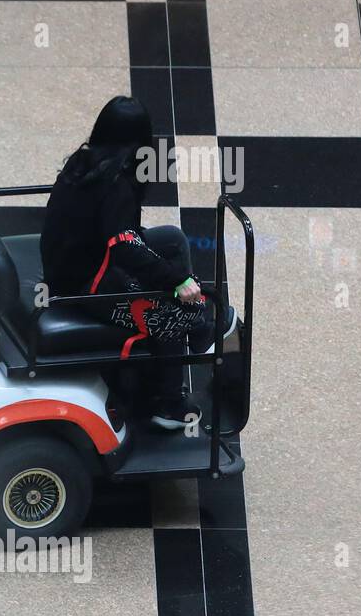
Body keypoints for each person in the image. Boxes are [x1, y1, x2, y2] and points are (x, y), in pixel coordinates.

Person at [40, 96, 236, 430]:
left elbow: (118, 236)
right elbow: (123, 247)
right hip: (85, 286)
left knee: (172, 238)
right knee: (173, 307)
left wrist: (172, 277)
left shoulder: (83, 160)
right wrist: (175, 281)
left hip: (69, 264)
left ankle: (175, 353)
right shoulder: (117, 185)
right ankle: (168, 403)